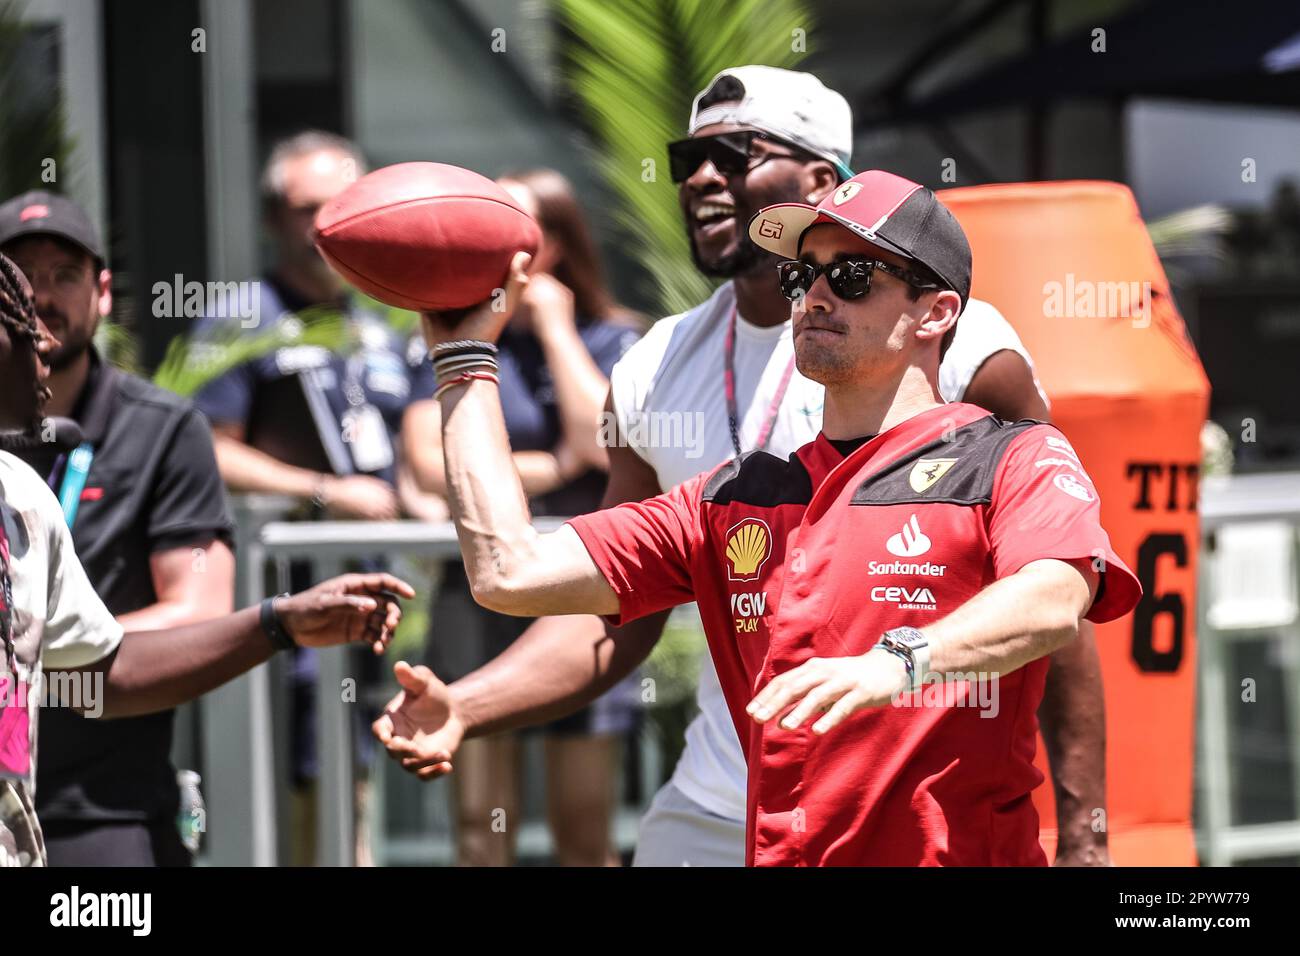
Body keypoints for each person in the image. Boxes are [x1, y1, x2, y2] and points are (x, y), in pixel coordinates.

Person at [375, 67, 1113, 866]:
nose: (816, 296)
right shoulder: (712, 471)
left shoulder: (999, 419)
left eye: (852, 275)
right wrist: (461, 355)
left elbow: (1051, 599)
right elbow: (517, 574)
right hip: (745, 814)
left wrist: (1080, 827)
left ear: (934, 314)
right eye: (804, 274)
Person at [0, 250, 413, 866]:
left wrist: (276, 623)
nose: (47, 342)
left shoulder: (24, 501)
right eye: (22, 322)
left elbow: (104, 675)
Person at [402, 169, 642, 866]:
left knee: (583, 831)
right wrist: (560, 469)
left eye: (515, 232)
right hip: (475, 591)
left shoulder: (613, 338)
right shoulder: (455, 330)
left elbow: (605, 441)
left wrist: (558, 329)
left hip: (578, 595)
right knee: (481, 829)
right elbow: (427, 462)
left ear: (557, 245)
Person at [192, 131, 412, 864]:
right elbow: (208, 450)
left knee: (354, 792)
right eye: (304, 208)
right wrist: (322, 493)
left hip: (382, 602)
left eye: (342, 205)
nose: (323, 224)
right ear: (270, 219)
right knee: (289, 804)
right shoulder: (241, 314)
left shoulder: (382, 318)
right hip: (283, 604)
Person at [0, 191, 236, 866]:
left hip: (104, 806)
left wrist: (29, 654)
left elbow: (200, 609)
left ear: (102, 293)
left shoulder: (164, 428)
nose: (41, 298)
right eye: (20, 278)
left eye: (64, 276)